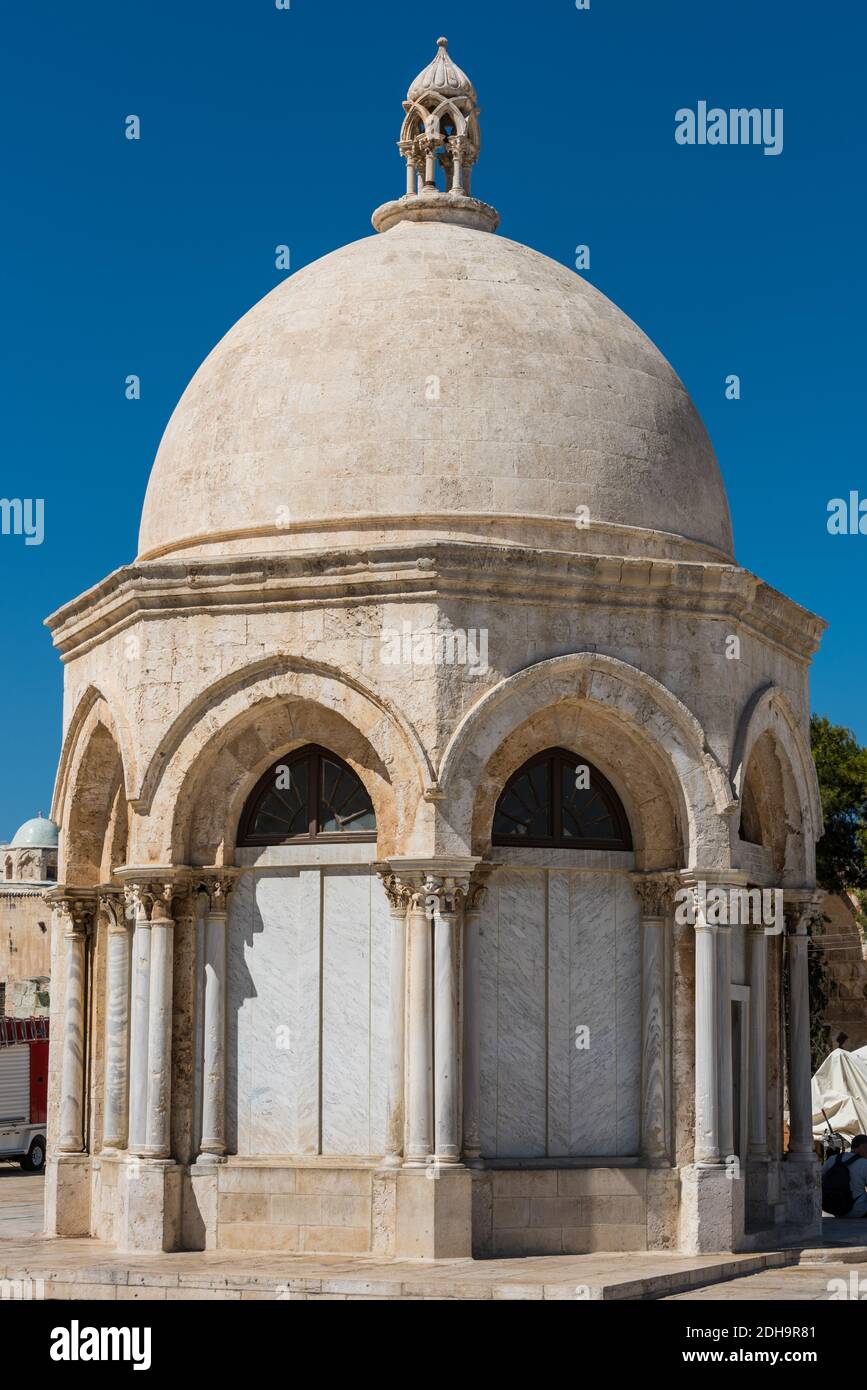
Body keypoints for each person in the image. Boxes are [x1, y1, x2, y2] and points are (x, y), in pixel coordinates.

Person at [822, 1134, 867, 1217]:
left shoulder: (833, 1159)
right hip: (858, 1210)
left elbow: (819, 1178)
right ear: (863, 1146)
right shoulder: (864, 1164)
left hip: (834, 1208)